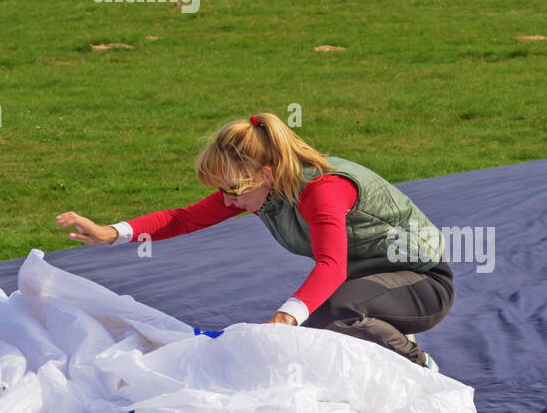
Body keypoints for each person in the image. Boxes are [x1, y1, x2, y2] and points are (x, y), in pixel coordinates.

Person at [56, 112, 453, 370]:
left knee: (329, 312)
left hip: (422, 282)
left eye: (232, 189)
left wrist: (284, 318)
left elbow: (331, 266)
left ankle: (422, 367)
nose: (227, 201)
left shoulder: (323, 190)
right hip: (371, 277)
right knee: (321, 316)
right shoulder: (262, 187)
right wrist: (111, 233)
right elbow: (182, 218)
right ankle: (381, 328)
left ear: (265, 173)